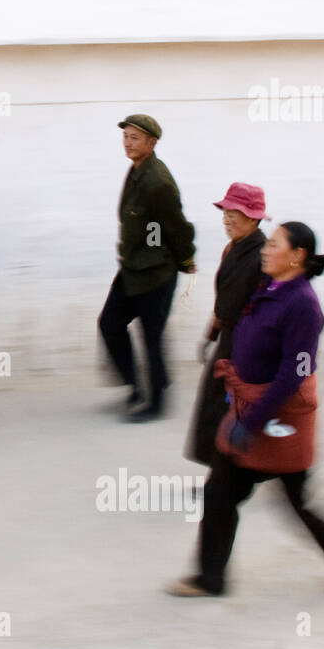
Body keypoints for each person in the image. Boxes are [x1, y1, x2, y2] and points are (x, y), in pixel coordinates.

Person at [168, 222, 324, 597]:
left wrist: (255, 420)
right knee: (220, 494)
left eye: (273, 244)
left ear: (297, 256)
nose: (265, 249)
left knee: (297, 502)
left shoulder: (303, 306)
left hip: (283, 419)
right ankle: (211, 578)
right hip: (249, 410)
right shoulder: (268, 288)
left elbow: (294, 374)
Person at [98, 114, 196, 422]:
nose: (127, 143)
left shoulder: (158, 182)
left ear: (151, 143)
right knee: (110, 324)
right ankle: (137, 385)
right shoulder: (136, 170)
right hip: (132, 269)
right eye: (125, 137)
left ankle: (155, 402)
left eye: (134, 138)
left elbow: (177, 227)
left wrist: (185, 260)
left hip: (155, 273)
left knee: (152, 338)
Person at [185, 183, 268, 465]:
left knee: (231, 409)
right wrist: (211, 335)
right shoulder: (231, 248)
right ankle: (218, 475)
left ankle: (227, 478)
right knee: (212, 406)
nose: (228, 219)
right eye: (226, 212)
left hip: (247, 344)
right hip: (228, 339)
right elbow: (223, 302)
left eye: (237, 213)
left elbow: (264, 310)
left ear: (255, 218)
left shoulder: (263, 257)